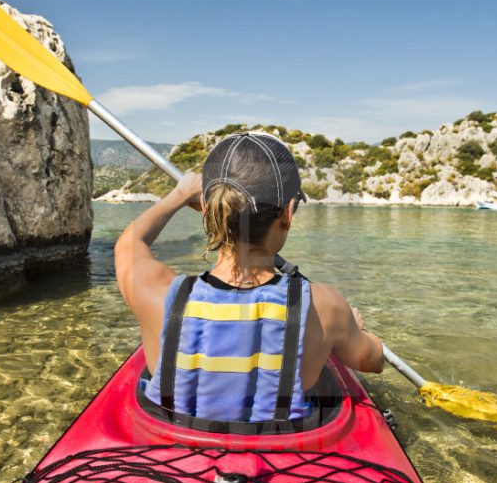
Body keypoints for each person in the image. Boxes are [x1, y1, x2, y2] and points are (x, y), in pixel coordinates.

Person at [114, 132, 384, 423]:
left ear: (207, 208)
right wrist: (353, 330)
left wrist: (178, 196)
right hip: (283, 455)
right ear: (288, 213)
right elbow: (373, 361)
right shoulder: (326, 307)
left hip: (174, 455)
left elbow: (129, 244)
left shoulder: (155, 292)